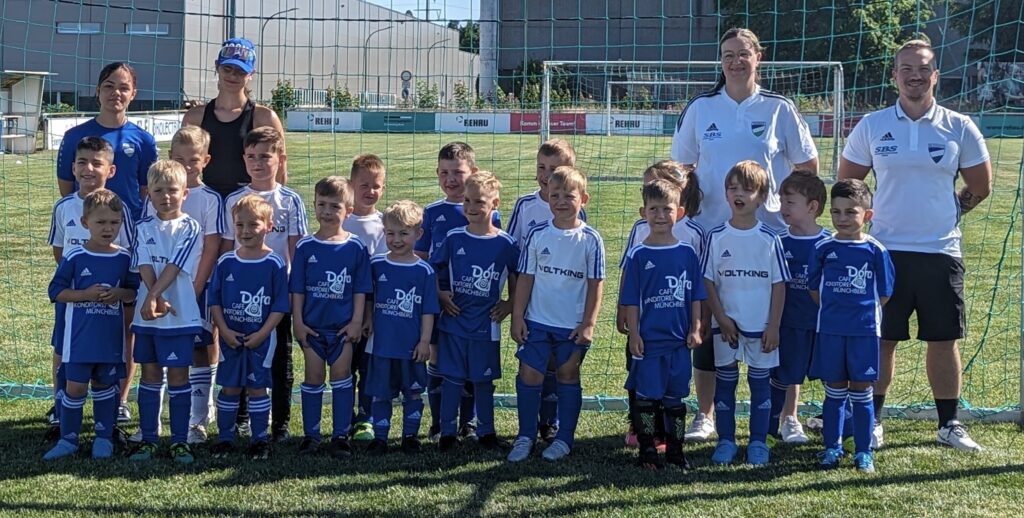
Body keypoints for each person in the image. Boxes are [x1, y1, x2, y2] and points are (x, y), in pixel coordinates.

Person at [838, 39, 992, 451]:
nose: (915, 75)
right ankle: (873, 420)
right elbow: (848, 186)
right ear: (894, 76)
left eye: (922, 68)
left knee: (943, 340)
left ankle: (949, 424)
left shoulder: (959, 126)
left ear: (935, 74)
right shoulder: (872, 125)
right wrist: (864, 223)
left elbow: (981, 185)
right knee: (882, 340)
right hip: (884, 252)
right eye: (906, 68)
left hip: (941, 250)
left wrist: (953, 211)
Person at [671, 28, 818, 442]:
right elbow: (680, 168)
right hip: (711, 237)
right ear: (720, 61)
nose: (735, 61)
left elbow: (807, 166)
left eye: (743, 54)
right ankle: (706, 415)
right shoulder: (701, 108)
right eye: (727, 55)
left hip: (768, 236)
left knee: (779, 326)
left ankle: (789, 414)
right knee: (711, 327)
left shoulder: (779, 108)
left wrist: (787, 209)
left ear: (759, 57)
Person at [56, 62, 158, 424]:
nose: (116, 93)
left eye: (124, 87)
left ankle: (119, 398)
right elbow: (68, 192)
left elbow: (145, 193)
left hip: (123, 242)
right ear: (97, 90)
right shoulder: (75, 136)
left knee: (123, 325)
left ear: (133, 94)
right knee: (69, 325)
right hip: (83, 249)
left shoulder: (143, 140)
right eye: (109, 85)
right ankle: (62, 398)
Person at [508, 166, 605, 463]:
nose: (561, 201)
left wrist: (588, 323)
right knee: (530, 373)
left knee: (567, 374)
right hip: (537, 321)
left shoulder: (591, 239)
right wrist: (518, 316)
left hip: (571, 325)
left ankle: (564, 438)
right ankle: (525, 436)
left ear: (583, 199)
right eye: (555, 195)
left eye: (569, 195)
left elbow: (595, 283)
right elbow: (525, 277)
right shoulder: (538, 234)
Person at [47, 137, 135, 445]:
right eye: (82, 163)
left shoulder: (118, 208)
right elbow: (60, 251)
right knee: (63, 347)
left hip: (111, 301)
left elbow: (128, 257)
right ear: (73, 168)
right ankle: (61, 409)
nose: (88, 169)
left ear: (109, 170)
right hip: (75, 298)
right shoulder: (64, 207)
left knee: (121, 345)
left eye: (96, 163)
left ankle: (117, 404)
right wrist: (79, 283)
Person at [140, 127, 225, 445]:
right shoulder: (157, 195)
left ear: (206, 161)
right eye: (179, 159)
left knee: (200, 347)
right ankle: (155, 422)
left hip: (194, 289)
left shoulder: (210, 198)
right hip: (158, 290)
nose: (187, 166)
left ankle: (199, 418)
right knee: (158, 354)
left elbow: (212, 244)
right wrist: (154, 290)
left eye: (193, 160)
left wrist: (198, 286)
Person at [222, 126, 307, 442]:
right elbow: (227, 249)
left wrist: (295, 292)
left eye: (266, 156)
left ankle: (280, 422)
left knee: (279, 357)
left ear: (280, 159)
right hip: (238, 297)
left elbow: (297, 249)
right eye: (252, 156)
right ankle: (242, 418)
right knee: (241, 352)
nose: (258, 163)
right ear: (244, 159)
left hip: (277, 296)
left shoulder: (290, 200)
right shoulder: (233, 199)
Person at [701, 160, 789, 466]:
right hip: (726, 325)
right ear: (726, 194)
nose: (739, 194)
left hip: (761, 326)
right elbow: (707, 281)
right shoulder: (716, 237)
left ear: (762, 197)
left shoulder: (770, 239)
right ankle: (725, 441)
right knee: (725, 382)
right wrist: (722, 318)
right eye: (733, 188)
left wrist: (774, 325)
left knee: (760, 382)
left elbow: (779, 285)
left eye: (748, 189)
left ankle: (757, 443)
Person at [809, 179, 895, 473]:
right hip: (831, 331)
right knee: (833, 390)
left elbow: (884, 293)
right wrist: (835, 311)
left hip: (864, 332)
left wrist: (859, 312)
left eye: (851, 212)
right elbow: (814, 288)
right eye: (836, 212)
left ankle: (863, 450)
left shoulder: (875, 251)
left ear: (867, 216)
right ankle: (831, 447)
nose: (842, 219)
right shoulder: (823, 249)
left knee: (861, 390)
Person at [619, 179, 706, 470]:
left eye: (666, 209)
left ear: (679, 213)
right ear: (643, 212)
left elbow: (695, 295)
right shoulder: (638, 255)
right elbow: (631, 299)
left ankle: (675, 452)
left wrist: (695, 327)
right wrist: (634, 334)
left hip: (679, 343)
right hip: (649, 342)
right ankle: (647, 452)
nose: (659, 215)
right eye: (653, 209)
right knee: (646, 398)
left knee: (675, 399)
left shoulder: (687, 254)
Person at [415, 142, 498, 443]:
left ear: (473, 173)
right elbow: (422, 259)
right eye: (444, 173)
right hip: (440, 302)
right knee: (439, 360)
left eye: (458, 172)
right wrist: (436, 293)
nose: (451, 179)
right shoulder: (432, 212)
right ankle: (439, 423)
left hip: (474, 306)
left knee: (474, 365)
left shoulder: (488, 213)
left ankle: (470, 423)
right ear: (437, 174)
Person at [430, 172, 519, 452]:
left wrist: (510, 304)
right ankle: (447, 432)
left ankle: (487, 432)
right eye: (467, 201)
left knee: (483, 381)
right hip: (454, 323)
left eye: (479, 202)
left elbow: (519, 279)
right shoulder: (454, 238)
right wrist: (441, 294)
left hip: (486, 325)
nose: (471, 207)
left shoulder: (507, 244)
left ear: (495, 203)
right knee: (452, 379)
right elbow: (432, 270)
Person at [506, 138, 583, 442]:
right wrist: (514, 304)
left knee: (557, 363)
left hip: (561, 303)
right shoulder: (526, 206)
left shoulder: (574, 209)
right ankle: (526, 428)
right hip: (530, 300)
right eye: (541, 167)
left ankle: (549, 422)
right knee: (531, 361)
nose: (546, 174)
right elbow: (512, 256)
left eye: (555, 168)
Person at [128, 160, 204, 464]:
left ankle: (179, 441)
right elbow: (144, 263)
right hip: (148, 316)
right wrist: (152, 299)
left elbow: (174, 266)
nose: (166, 196)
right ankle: (148, 438)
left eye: (172, 190)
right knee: (149, 373)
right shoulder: (142, 226)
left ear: (184, 193)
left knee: (177, 375)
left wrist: (154, 296)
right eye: (158, 190)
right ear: (150, 195)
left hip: (180, 315)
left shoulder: (190, 226)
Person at [292, 176, 372, 458]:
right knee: (313, 376)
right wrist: (298, 322)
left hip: (342, 329)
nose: (326, 212)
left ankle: (340, 435)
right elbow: (298, 289)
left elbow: (361, 289)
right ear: (314, 205)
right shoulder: (305, 247)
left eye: (334, 206)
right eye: (321, 204)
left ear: (348, 210)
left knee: (341, 375)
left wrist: (356, 322)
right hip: (312, 328)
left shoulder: (356, 247)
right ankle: (311, 436)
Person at [208, 195, 289, 460]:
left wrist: (263, 333)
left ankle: (259, 440)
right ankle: (225, 439)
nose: (245, 231)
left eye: (253, 224)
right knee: (229, 387)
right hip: (231, 339)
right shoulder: (226, 262)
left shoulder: (274, 263)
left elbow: (279, 306)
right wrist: (224, 331)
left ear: (269, 225)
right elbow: (215, 302)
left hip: (262, 339)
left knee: (257, 389)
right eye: (240, 225)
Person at [365, 201, 441, 455]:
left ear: (418, 234)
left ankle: (410, 436)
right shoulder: (377, 265)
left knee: (414, 392)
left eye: (403, 233)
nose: (396, 239)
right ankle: (381, 437)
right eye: (390, 233)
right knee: (381, 393)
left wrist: (424, 341)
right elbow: (367, 299)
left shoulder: (424, 271)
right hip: (382, 344)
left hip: (411, 346)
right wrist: (366, 320)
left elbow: (428, 310)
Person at [182, 38, 287, 198]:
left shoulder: (264, 117)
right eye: (227, 68)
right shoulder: (195, 117)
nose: (233, 75)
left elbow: (280, 168)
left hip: (251, 206)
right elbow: (182, 166)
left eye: (240, 71)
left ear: (251, 73)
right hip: (209, 202)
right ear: (217, 66)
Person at [769, 170, 830, 445]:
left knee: (833, 376)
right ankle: (787, 420)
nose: (783, 208)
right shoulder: (778, 243)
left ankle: (835, 421)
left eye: (790, 202)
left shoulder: (830, 244)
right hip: (789, 324)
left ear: (812, 207)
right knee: (786, 375)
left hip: (823, 326)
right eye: (781, 202)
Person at [343, 154, 388, 442]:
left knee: (368, 367)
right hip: (342, 309)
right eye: (364, 185)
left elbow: (381, 275)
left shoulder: (386, 224)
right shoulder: (341, 221)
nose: (370, 191)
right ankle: (344, 416)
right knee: (344, 366)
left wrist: (370, 314)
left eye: (377, 186)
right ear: (350, 185)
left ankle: (366, 417)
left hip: (372, 312)